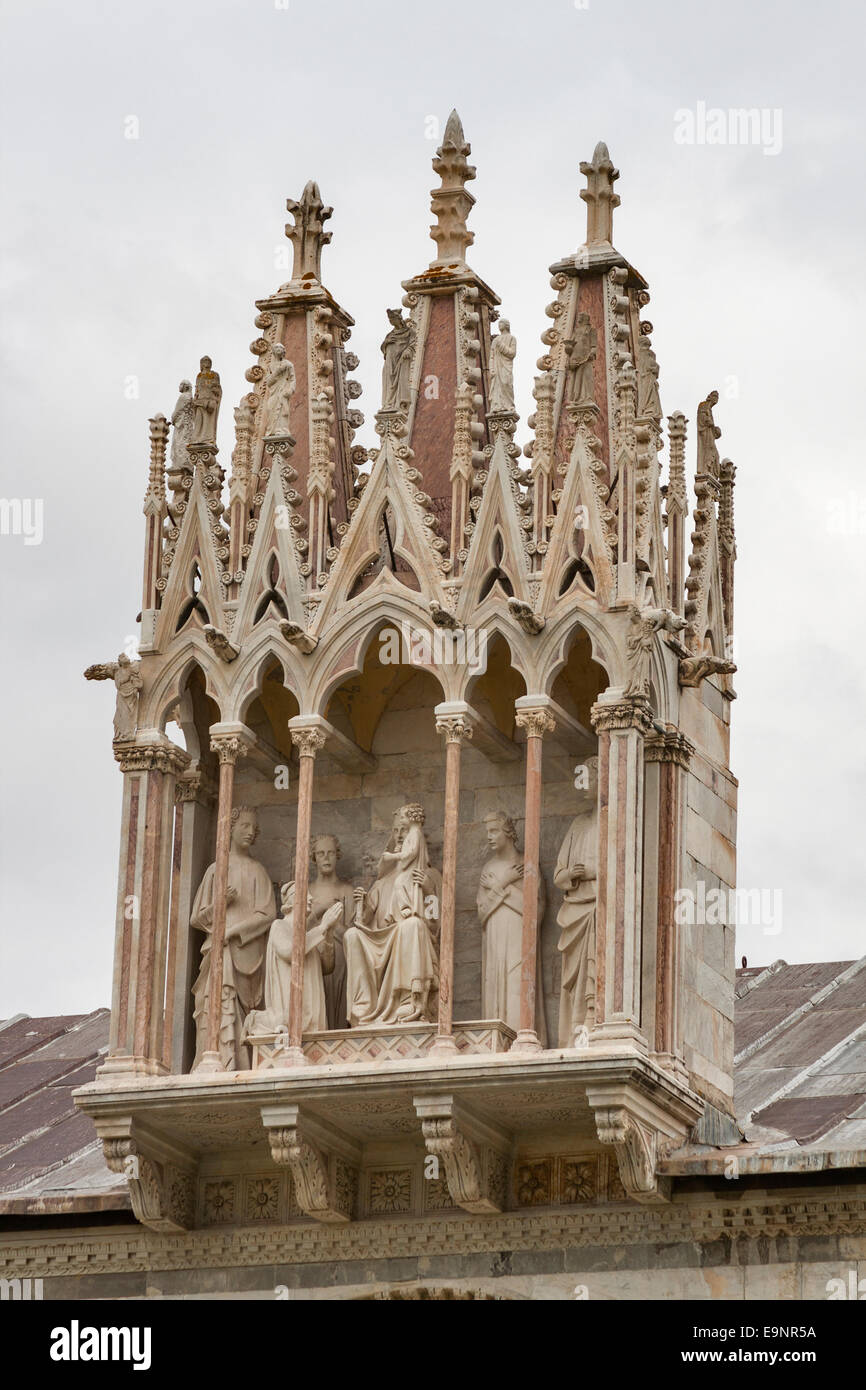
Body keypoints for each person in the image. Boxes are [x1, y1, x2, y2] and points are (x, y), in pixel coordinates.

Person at [191, 807, 274, 1069]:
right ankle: (219, 1060)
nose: (251, 832)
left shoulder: (257, 870)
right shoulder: (216, 870)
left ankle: (244, 1063)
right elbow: (196, 918)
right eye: (245, 826)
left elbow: (268, 914)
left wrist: (234, 931)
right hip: (221, 951)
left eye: (254, 827)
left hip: (248, 952)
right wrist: (220, 903)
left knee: (247, 1011)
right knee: (218, 1003)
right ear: (231, 830)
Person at [344, 804, 441, 1025]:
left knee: (412, 925)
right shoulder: (381, 882)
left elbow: (435, 924)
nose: (399, 836)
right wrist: (363, 904)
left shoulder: (428, 875)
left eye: (403, 830)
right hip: (380, 941)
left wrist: (429, 890)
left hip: (407, 937)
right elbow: (365, 921)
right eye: (395, 831)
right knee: (351, 935)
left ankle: (409, 1000)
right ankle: (364, 1007)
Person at [476, 812, 547, 1041]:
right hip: (495, 934)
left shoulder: (526, 865)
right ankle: (497, 1041)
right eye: (487, 832)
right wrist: (502, 885)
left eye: (494, 831)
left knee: (516, 981)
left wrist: (500, 886)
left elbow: (534, 911)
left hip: (518, 933)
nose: (489, 837)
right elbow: (482, 912)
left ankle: (520, 1038)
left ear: (508, 833)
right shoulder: (488, 867)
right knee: (496, 984)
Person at [554, 759, 599, 1046]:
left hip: (596, 906)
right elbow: (558, 874)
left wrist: (594, 873)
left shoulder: (613, 821)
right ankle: (574, 1029)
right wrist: (571, 874)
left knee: (595, 965)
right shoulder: (578, 824)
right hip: (574, 907)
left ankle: (592, 1022)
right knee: (575, 973)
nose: (582, 784)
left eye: (589, 777)